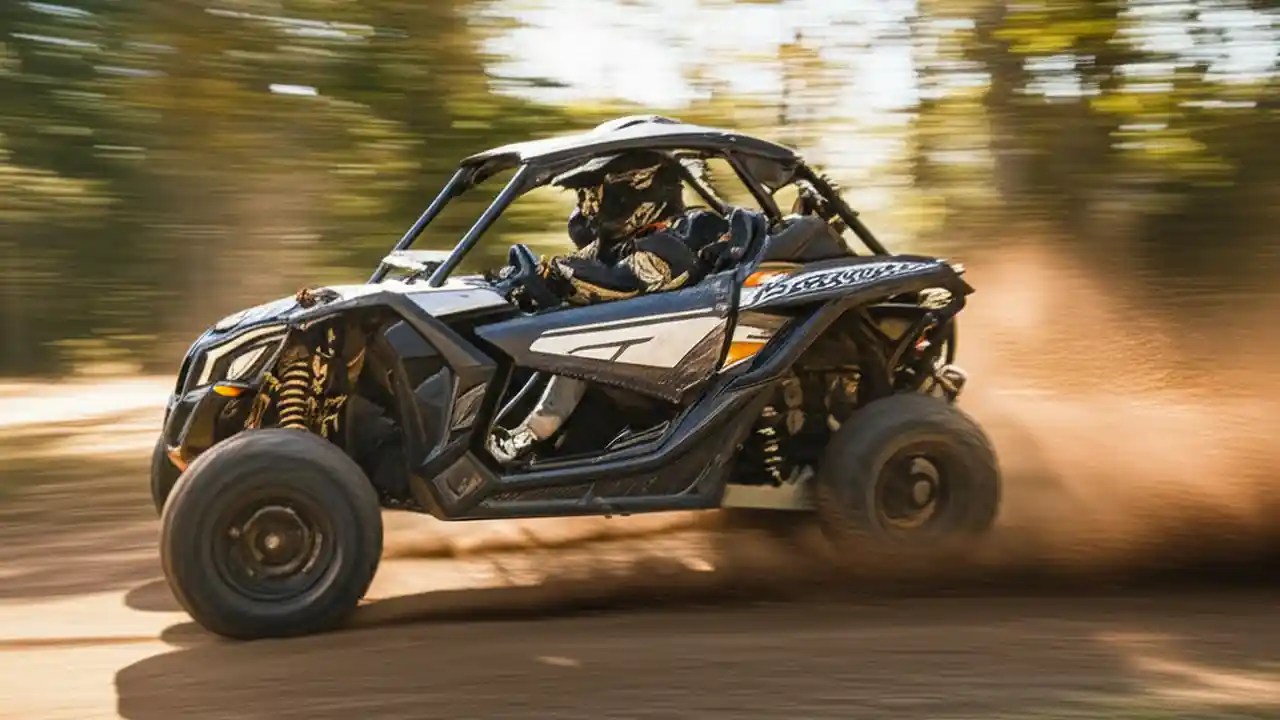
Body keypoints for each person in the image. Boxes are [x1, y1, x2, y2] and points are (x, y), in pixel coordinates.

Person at [491, 151, 730, 462]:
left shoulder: (681, 233)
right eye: (584, 197)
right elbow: (575, 265)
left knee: (576, 340)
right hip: (631, 358)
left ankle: (528, 436)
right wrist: (520, 283)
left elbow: (623, 284)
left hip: (671, 367)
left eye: (594, 195)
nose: (587, 208)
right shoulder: (617, 243)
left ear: (633, 190)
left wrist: (559, 276)